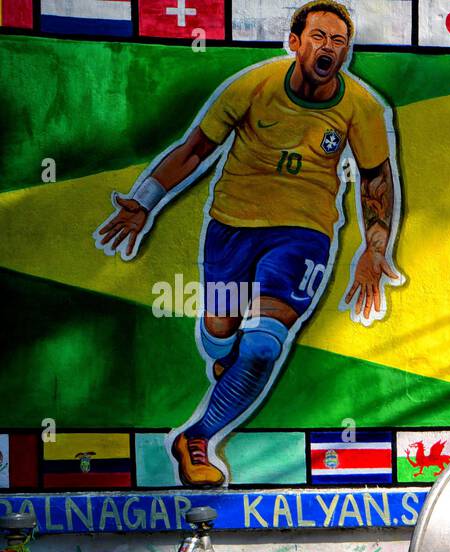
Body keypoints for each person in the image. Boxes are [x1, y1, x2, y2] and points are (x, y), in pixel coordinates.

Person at [95, 1, 402, 487]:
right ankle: (226, 358)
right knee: (218, 330)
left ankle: (197, 437)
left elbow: (375, 183)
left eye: (339, 41)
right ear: (295, 43)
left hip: (304, 236)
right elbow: (195, 150)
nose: (330, 48)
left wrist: (375, 246)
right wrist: (145, 201)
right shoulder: (251, 87)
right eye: (319, 37)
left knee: (260, 347)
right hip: (230, 228)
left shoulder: (362, 108)